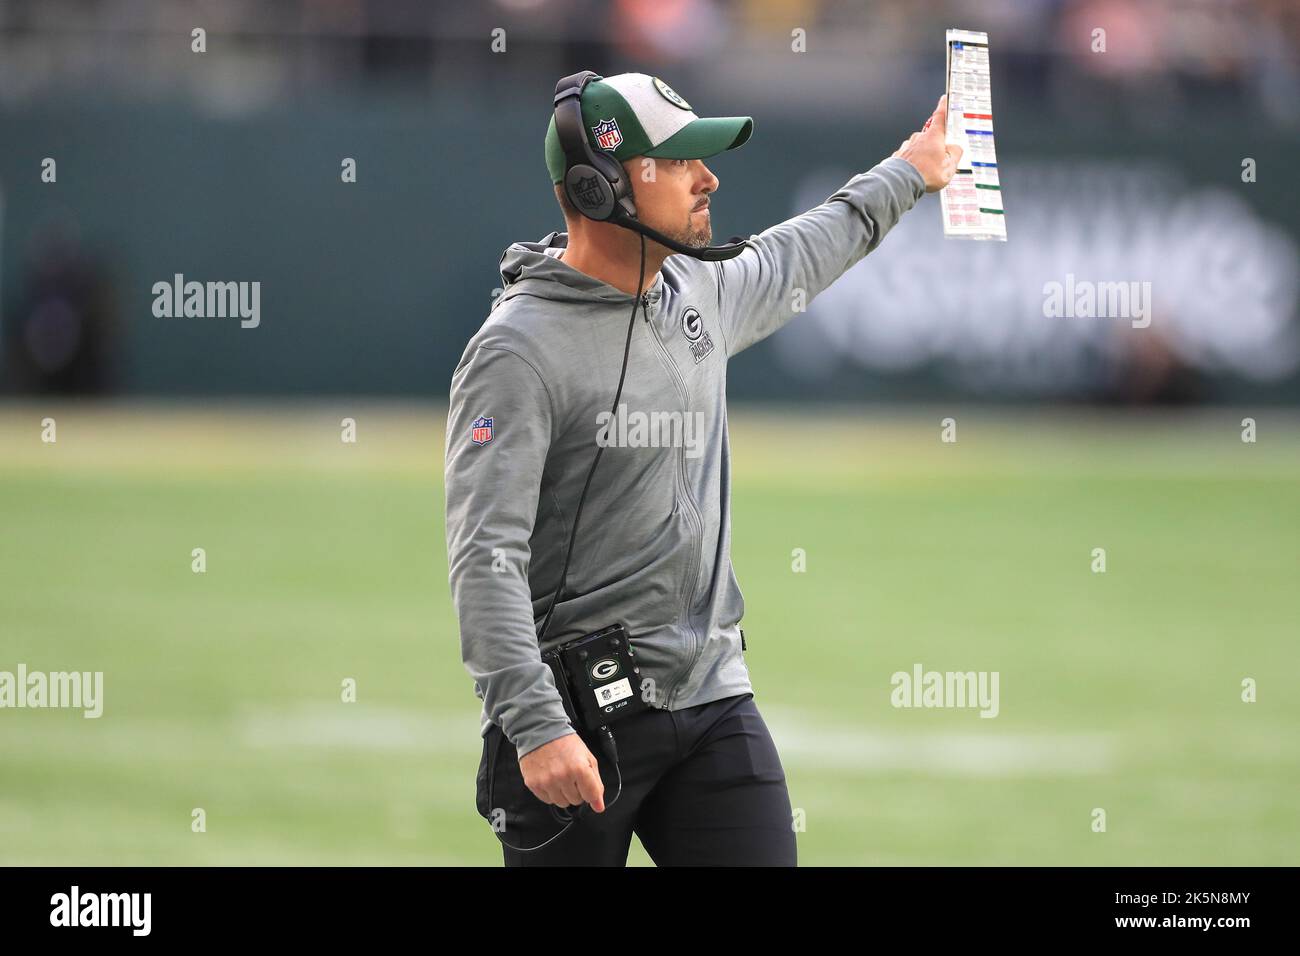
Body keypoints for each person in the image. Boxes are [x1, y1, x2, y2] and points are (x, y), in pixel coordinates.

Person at [444, 71, 960, 866]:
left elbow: (805, 249)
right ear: (601, 182)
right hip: (578, 726)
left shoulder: (696, 289)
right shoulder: (517, 351)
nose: (707, 177)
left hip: (712, 700)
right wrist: (536, 724)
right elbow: (487, 557)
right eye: (681, 161)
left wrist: (911, 170)